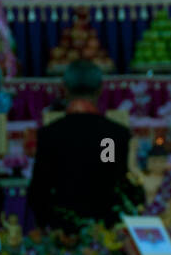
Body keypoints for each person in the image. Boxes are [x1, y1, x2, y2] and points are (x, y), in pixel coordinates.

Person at [26, 61, 136, 229]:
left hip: (61, 228)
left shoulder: (50, 134)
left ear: (65, 89)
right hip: (106, 229)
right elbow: (113, 177)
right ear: (100, 89)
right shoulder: (111, 135)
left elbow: (39, 191)